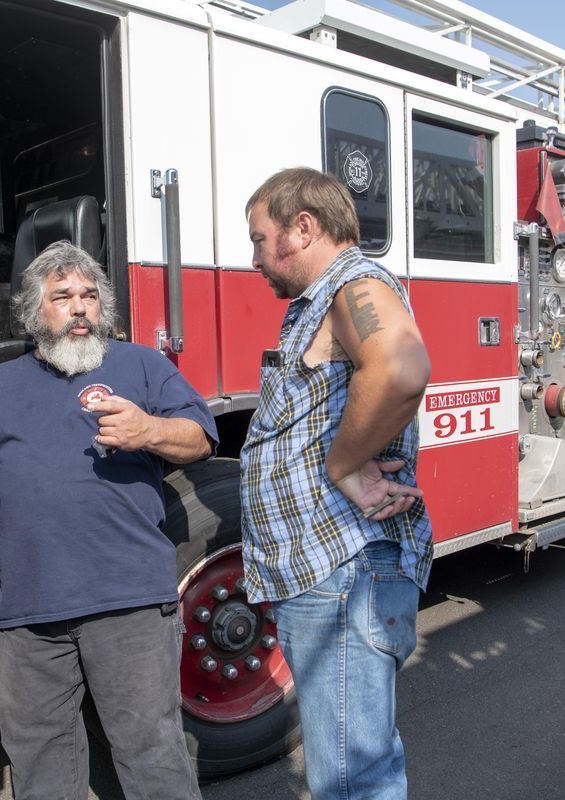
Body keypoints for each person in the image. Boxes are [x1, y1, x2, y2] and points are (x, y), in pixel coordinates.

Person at [0, 240, 214, 800]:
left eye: (90, 295)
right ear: (33, 313)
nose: (80, 307)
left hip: (131, 603)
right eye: (62, 296)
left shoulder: (141, 365)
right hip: (29, 614)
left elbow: (201, 436)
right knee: (41, 765)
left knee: (152, 754)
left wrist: (151, 432)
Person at [239, 167, 433, 799]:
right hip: (328, 573)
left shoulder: (354, 283)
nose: (255, 259)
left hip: (341, 571)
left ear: (304, 227)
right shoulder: (325, 299)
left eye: (260, 239)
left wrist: (343, 464)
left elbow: (401, 366)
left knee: (353, 781)